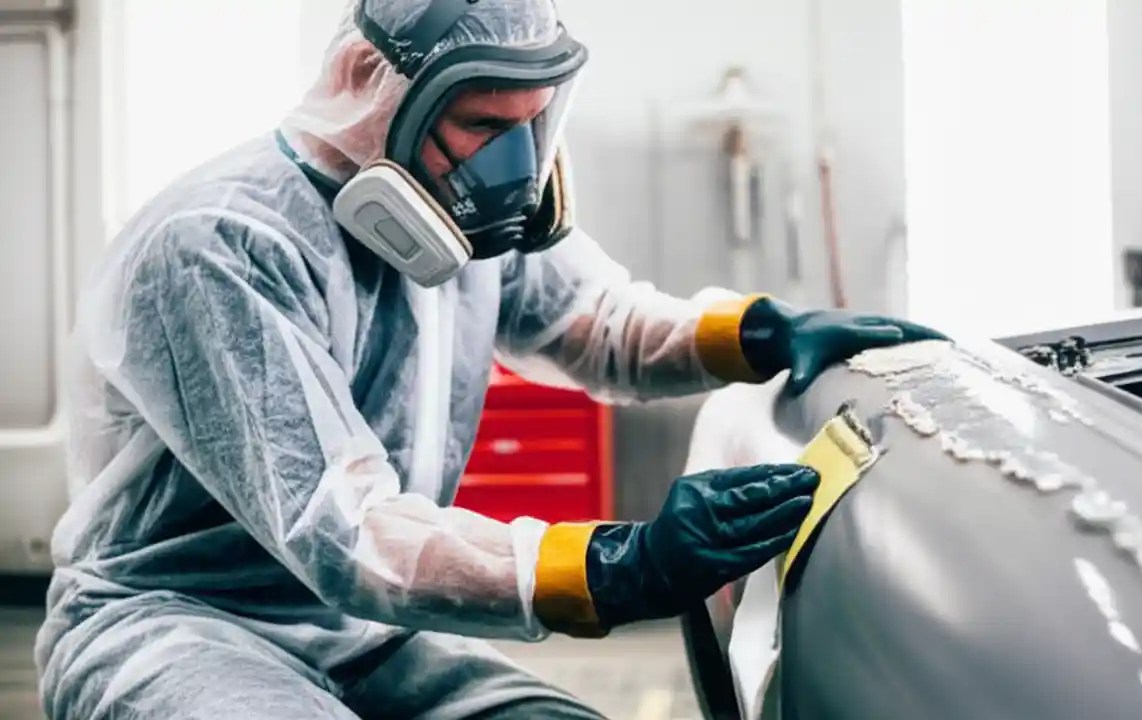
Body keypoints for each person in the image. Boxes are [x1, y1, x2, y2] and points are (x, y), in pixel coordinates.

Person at [34, 1, 943, 718]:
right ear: (374, 93)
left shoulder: (461, 218)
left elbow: (596, 324)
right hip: (181, 628)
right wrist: (621, 564)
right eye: (479, 123)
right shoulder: (222, 245)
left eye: (531, 123)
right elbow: (348, 529)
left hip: (366, 634)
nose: (511, 163)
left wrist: (756, 332)